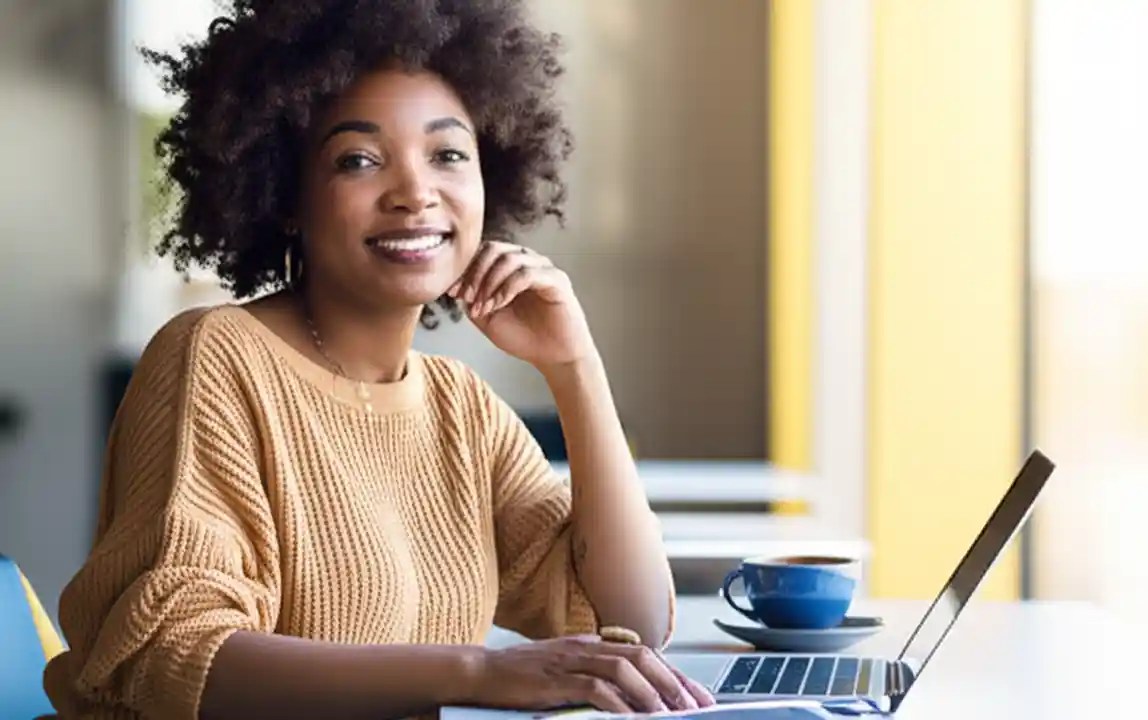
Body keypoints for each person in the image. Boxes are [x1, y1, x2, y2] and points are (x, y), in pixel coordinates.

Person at [42, 1, 715, 718]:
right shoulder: (216, 358)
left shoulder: (460, 406)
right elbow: (174, 651)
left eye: (447, 154)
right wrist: (475, 672)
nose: (415, 193)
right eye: (358, 160)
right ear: (287, 195)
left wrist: (575, 365)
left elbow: (631, 620)